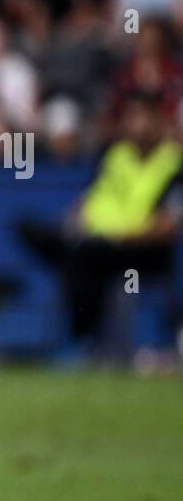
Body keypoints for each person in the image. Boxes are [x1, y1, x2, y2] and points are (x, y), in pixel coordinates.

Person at [19, 90, 182, 358]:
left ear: (157, 120)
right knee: (36, 232)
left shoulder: (173, 163)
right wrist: (72, 223)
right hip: (97, 241)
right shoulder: (115, 156)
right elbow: (91, 199)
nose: (134, 123)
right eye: (130, 116)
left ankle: (83, 342)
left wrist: (122, 237)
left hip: (140, 252)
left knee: (83, 257)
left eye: (141, 115)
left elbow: (169, 227)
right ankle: (83, 341)